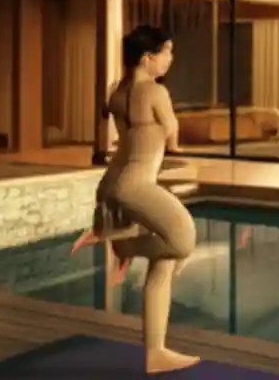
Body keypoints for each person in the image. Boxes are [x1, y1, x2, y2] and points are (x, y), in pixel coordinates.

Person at [72, 25, 199, 375]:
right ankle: (124, 246)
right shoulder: (157, 93)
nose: (170, 59)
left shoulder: (117, 90)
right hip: (136, 184)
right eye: (167, 53)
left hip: (112, 183)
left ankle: (155, 351)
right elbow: (172, 138)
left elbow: (119, 125)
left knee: (167, 261)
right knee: (184, 240)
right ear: (148, 58)